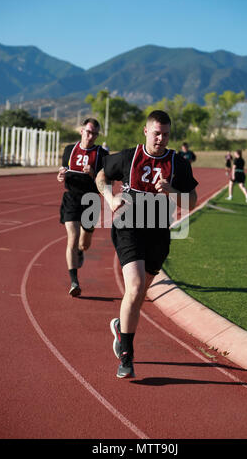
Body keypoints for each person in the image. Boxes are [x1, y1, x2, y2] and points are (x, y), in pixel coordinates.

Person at [96, 110, 198, 378]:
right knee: (136, 285)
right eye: (156, 133)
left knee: (139, 295)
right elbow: (101, 176)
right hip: (128, 227)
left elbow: (192, 201)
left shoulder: (178, 163)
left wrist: (171, 191)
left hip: (158, 233)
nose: (160, 139)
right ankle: (127, 356)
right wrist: (110, 198)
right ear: (146, 131)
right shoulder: (129, 157)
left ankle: (121, 327)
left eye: (165, 134)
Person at [57, 118, 109, 297]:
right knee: (73, 237)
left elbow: (105, 184)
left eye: (94, 133)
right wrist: (60, 175)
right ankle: (74, 281)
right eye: (88, 132)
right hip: (71, 197)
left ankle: (80, 251)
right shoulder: (69, 150)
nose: (91, 136)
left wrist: (93, 173)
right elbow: (63, 170)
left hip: (91, 200)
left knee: (84, 244)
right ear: (81, 131)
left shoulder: (101, 155)